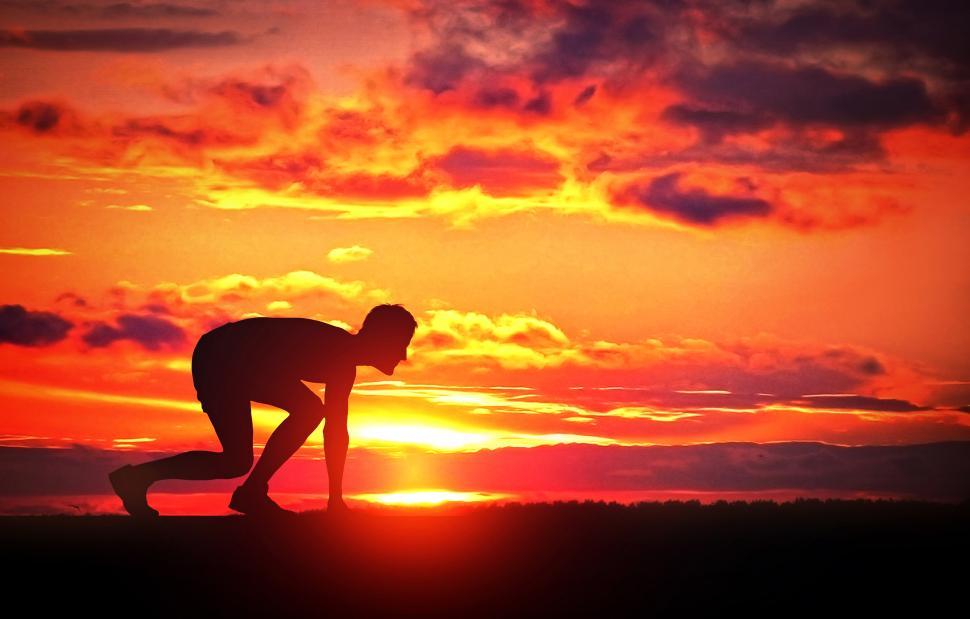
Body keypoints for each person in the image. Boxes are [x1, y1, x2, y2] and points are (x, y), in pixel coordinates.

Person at [108, 304, 417, 517]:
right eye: (401, 344)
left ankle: (137, 479)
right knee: (308, 410)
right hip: (222, 355)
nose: (403, 354)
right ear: (381, 339)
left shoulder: (343, 365)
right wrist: (335, 501)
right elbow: (328, 425)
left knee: (235, 461)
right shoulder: (333, 349)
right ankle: (252, 492)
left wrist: (335, 499)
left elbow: (336, 432)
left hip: (235, 359)